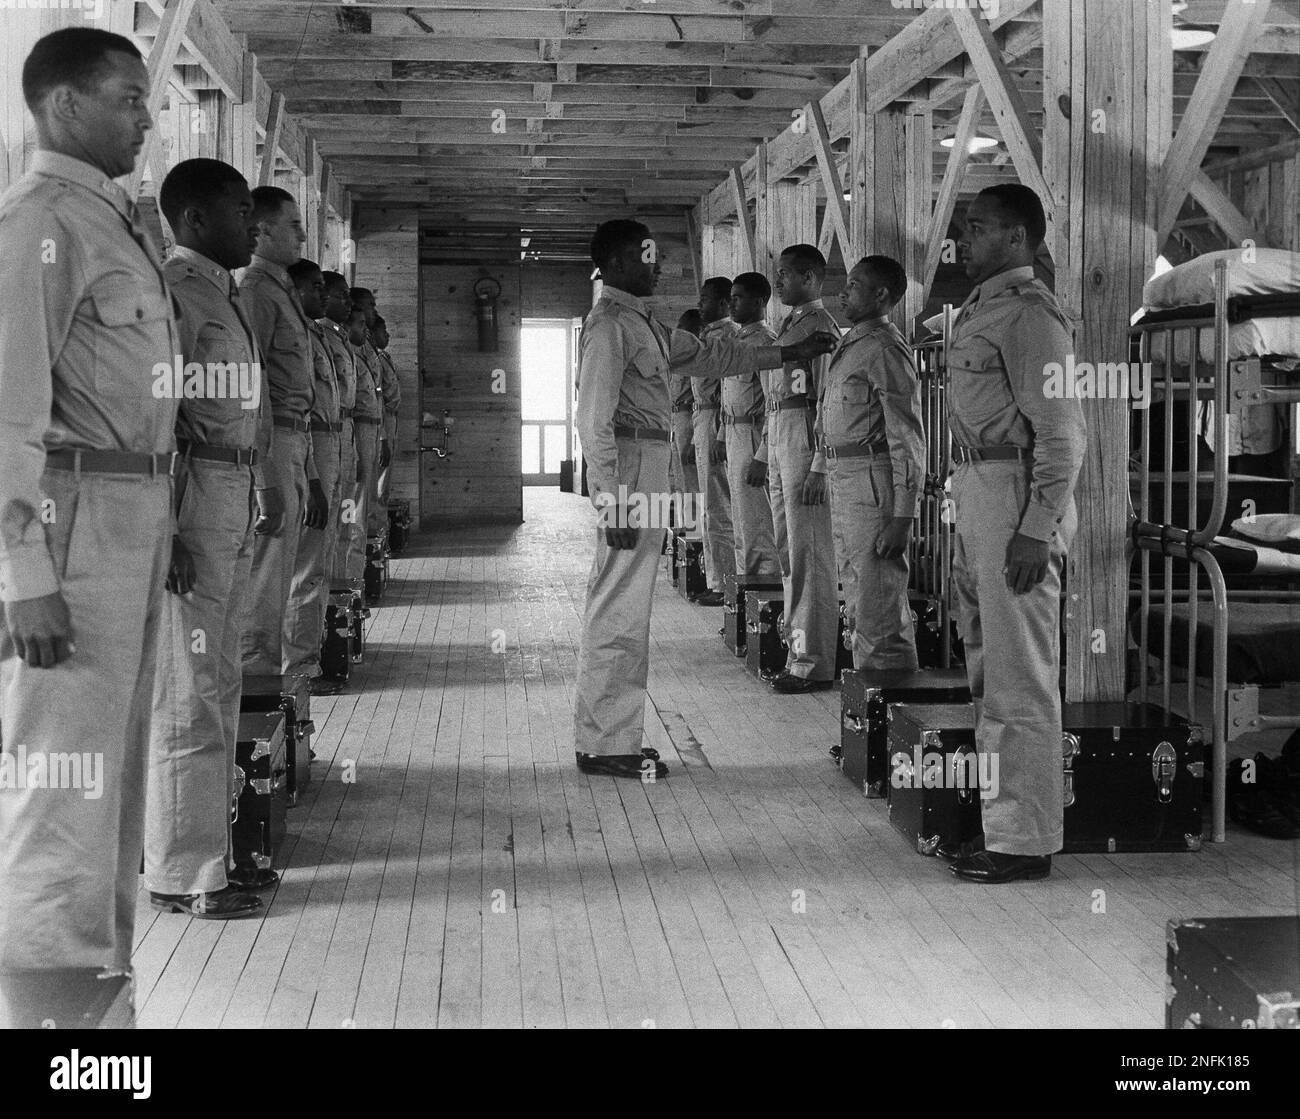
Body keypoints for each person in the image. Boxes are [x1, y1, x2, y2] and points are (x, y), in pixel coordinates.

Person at [0, 28, 177, 1010]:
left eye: (149, 99)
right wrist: (24, 573)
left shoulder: (114, 222)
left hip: (129, 515)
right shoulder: (36, 222)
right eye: (128, 97)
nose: (147, 116)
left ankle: (99, 1012)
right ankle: (49, 1029)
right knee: (59, 778)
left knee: (106, 776)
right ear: (64, 105)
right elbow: (7, 412)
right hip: (72, 526)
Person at [574, 219, 837, 779]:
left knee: (628, 601)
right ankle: (603, 742)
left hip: (644, 462)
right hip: (627, 469)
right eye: (648, 257)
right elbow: (591, 420)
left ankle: (612, 734)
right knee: (618, 601)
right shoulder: (609, 326)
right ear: (618, 264)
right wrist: (611, 498)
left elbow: (715, 360)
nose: (659, 266)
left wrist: (793, 352)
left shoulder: (643, 321)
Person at [943, 184, 1086, 884]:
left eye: (976, 229)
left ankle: (1025, 841)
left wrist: (1036, 529)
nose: (962, 241)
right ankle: (1002, 816)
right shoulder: (986, 308)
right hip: (980, 492)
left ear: (1017, 238)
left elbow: (1063, 433)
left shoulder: (1031, 317)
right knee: (984, 667)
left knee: (1020, 679)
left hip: (1014, 501)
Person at [145, 158, 274, 920]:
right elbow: (155, 420)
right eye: (238, 209)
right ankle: (182, 870)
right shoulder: (176, 297)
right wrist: (166, 527)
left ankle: (206, 856)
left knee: (219, 682)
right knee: (188, 689)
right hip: (195, 500)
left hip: (233, 493)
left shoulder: (223, 294)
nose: (251, 223)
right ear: (194, 219)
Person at [237, 187, 328, 675]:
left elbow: (300, 398)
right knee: (267, 578)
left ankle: (282, 679)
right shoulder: (255, 292)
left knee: (288, 566)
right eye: (293, 225)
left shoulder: (280, 293)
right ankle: (256, 692)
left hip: (296, 442)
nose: (302, 233)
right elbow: (254, 392)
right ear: (263, 230)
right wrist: (265, 477)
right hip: (271, 446)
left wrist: (310, 472)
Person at [821, 255, 925, 671]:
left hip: (872, 480)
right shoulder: (854, 343)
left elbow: (907, 437)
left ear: (882, 294)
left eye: (855, 284)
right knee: (859, 592)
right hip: (845, 477)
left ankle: (888, 711)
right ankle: (870, 712)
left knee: (878, 597)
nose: (844, 292)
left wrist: (902, 517)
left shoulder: (884, 349)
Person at [749, 244, 841, 694]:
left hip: (804, 437)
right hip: (782, 435)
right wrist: (765, 453)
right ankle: (796, 649)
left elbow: (827, 400)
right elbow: (772, 398)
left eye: (784, 274)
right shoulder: (789, 327)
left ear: (809, 276)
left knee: (809, 554)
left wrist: (820, 465)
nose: (778, 282)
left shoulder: (820, 328)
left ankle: (814, 662)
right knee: (788, 552)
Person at [284, 259, 341, 681]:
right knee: (305, 565)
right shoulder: (293, 332)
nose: (322, 295)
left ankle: (314, 646)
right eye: (316, 287)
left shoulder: (318, 337)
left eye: (327, 288)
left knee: (320, 556)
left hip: (325, 440)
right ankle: (298, 665)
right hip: (305, 442)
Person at [724, 273, 781, 578]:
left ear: (759, 302)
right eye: (731, 297)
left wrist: (762, 455)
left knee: (758, 522)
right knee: (741, 520)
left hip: (752, 436)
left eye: (739, 297)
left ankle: (764, 596)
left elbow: (775, 404)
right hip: (734, 433)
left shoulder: (764, 343)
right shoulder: (738, 340)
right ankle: (743, 605)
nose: (732, 303)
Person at [690, 278, 737, 606]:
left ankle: (724, 584)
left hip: (716, 421)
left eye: (706, 300)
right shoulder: (708, 337)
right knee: (709, 505)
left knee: (718, 506)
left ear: (723, 304)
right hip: (701, 417)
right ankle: (715, 577)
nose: (700, 305)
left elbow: (727, 392)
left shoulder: (727, 338)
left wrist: (721, 434)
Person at [319, 274, 360, 592]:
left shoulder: (340, 338)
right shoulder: (320, 336)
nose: (348, 303)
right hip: (323, 433)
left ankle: (343, 582)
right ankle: (334, 586)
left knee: (348, 508)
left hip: (345, 428)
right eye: (341, 296)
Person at [350, 287, 389, 539]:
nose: (373, 310)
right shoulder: (352, 346)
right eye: (369, 306)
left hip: (374, 422)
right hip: (356, 425)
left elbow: (377, 392)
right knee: (358, 494)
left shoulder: (368, 346)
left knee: (371, 489)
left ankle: (370, 542)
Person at [668, 309, 701, 528]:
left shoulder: (696, 358)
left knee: (691, 483)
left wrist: (694, 439)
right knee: (675, 481)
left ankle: (693, 535)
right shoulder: (674, 357)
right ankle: (681, 532)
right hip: (672, 419)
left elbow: (702, 400)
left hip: (687, 419)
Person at [373, 314, 401, 529]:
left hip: (390, 420)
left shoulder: (384, 358)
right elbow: (377, 399)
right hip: (380, 421)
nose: (388, 335)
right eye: (383, 331)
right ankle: (376, 529)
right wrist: (383, 435)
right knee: (379, 485)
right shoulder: (375, 361)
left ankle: (379, 532)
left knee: (385, 482)